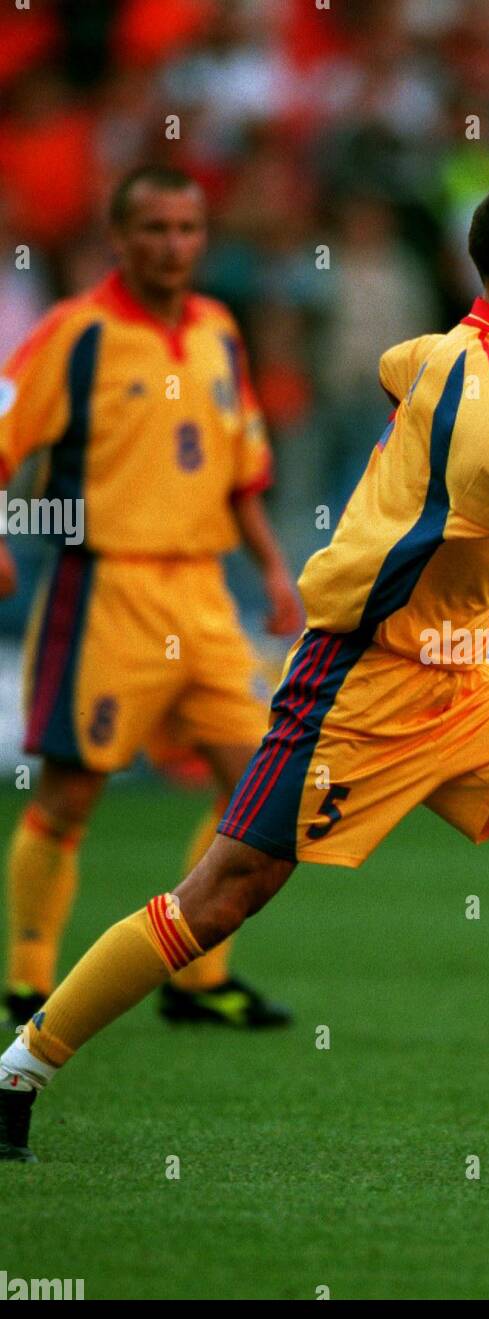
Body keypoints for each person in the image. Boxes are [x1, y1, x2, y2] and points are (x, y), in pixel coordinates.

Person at [0, 174, 489, 1162]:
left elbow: (397, 360)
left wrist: (409, 404)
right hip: (357, 686)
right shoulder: (476, 379)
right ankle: (18, 1069)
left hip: (459, 687)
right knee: (220, 897)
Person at [0, 165, 302, 1034]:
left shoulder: (217, 330)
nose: (173, 245)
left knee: (257, 786)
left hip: (204, 591)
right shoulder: (76, 333)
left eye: (187, 229)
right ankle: (25, 983)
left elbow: (243, 472)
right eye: (155, 229)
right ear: (119, 238)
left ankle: (198, 981)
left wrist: (276, 573)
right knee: (69, 798)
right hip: (107, 587)